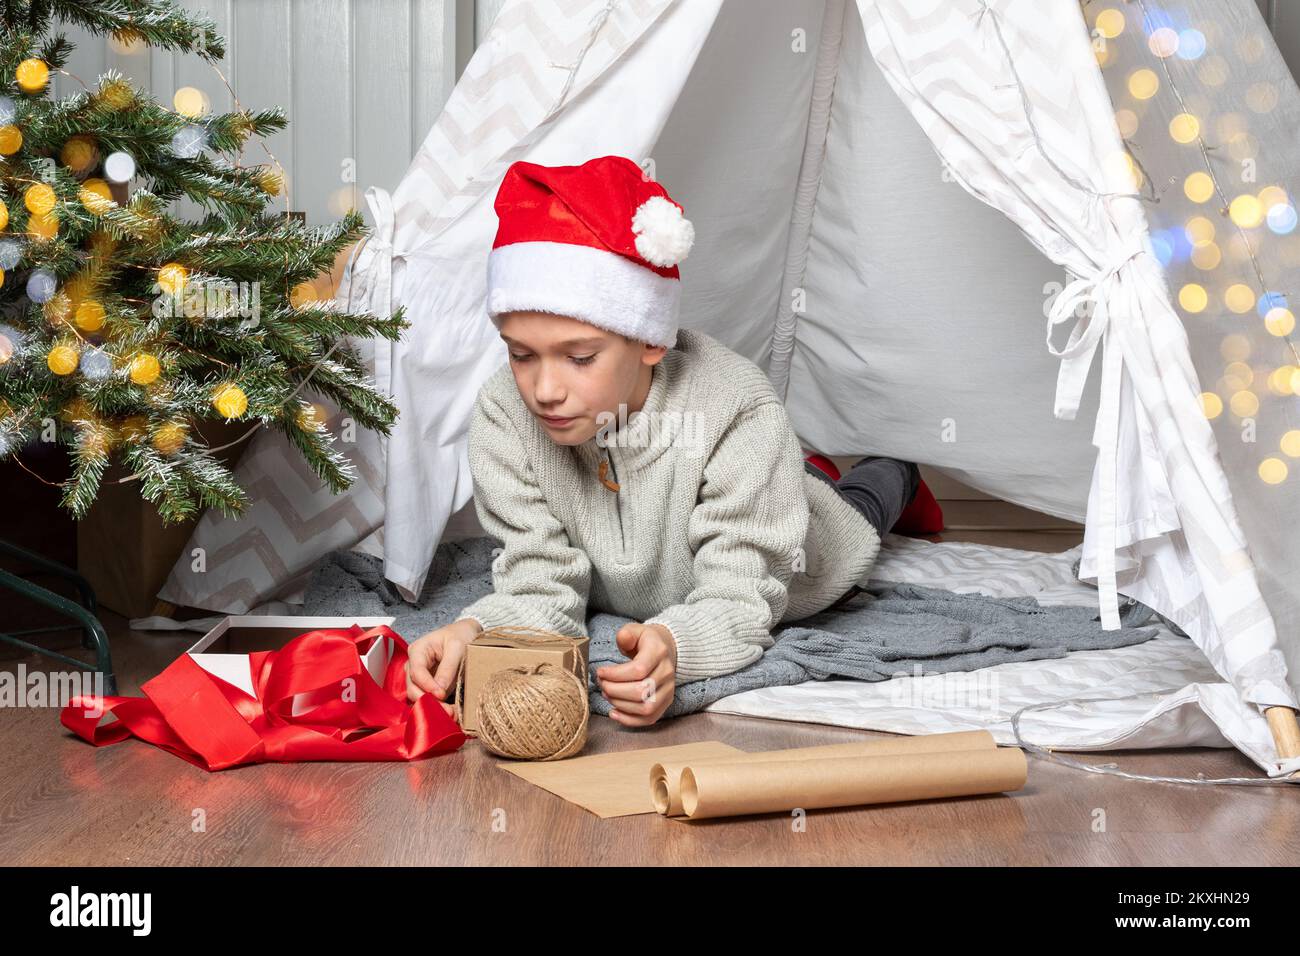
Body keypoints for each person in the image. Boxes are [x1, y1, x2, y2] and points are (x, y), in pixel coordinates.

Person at [404, 154, 917, 726]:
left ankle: (898, 470)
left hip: (809, 539)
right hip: (751, 481)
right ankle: (805, 468)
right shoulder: (504, 414)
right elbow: (537, 577)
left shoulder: (737, 407)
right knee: (792, 473)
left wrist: (680, 644)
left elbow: (739, 593)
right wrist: (479, 630)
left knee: (859, 507)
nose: (544, 389)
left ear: (650, 340)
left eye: (579, 358)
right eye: (521, 355)